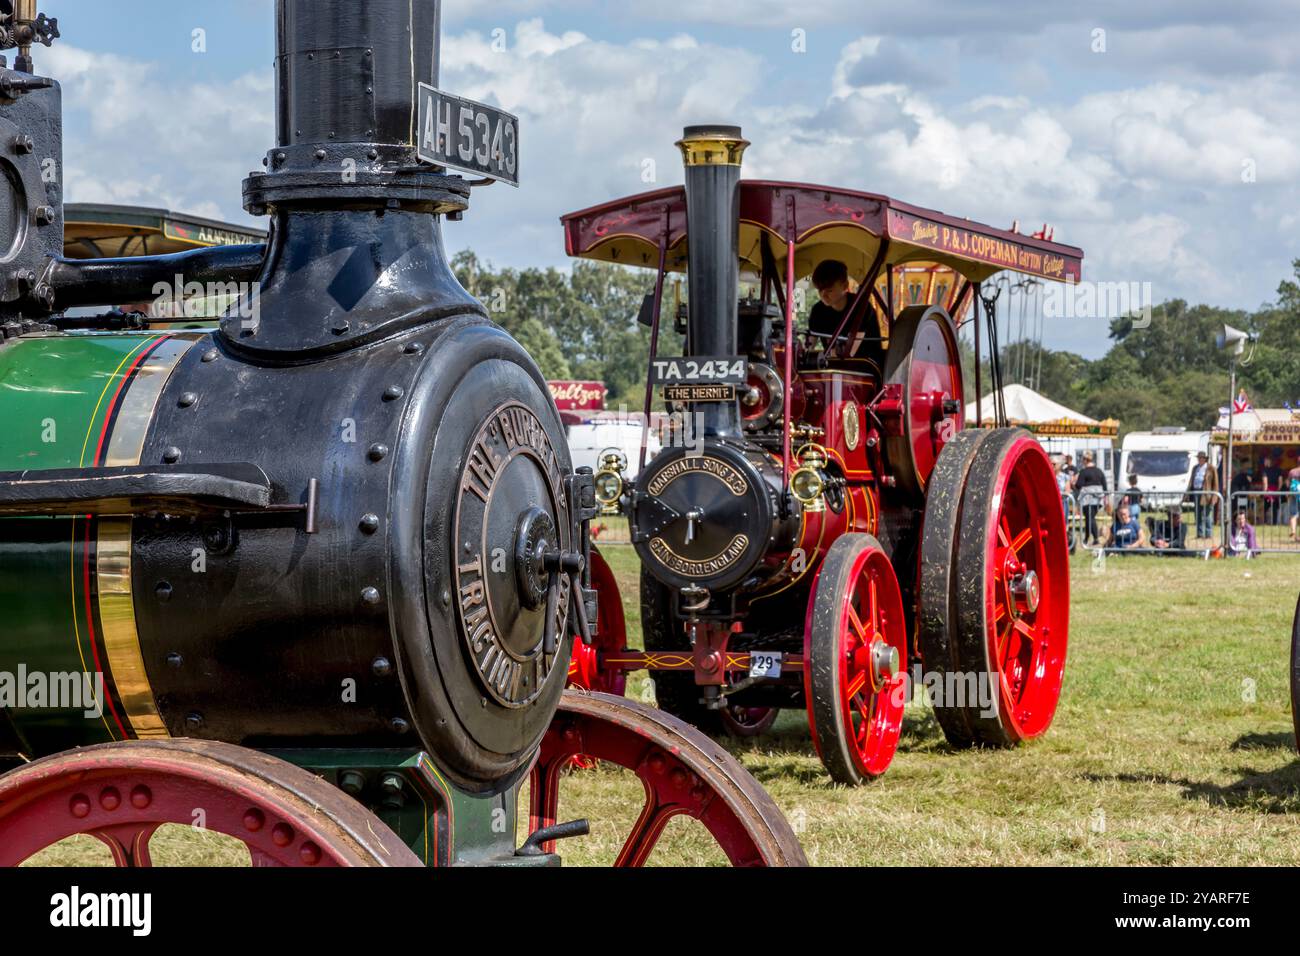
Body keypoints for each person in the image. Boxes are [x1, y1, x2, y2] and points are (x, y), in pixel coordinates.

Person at [808, 259, 885, 368]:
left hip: (867, 368)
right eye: (820, 290)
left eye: (829, 290)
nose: (823, 295)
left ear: (845, 286)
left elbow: (849, 354)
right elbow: (809, 346)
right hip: (835, 367)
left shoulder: (861, 307)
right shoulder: (818, 310)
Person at [1073, 452, 1108, 546]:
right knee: (1090, 518)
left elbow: (1078, 485)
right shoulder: (1099, 471)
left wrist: (1073, 483)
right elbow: (1105, 485)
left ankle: (1092, 538)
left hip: (1087, 499)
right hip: (1098, 499)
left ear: (1085, 460)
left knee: (1090, 518)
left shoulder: (1084, 472)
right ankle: (1089, 538)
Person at [1186, 450, 1217, 541]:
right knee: (1197, 513)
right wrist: (1188, 493)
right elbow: (1191, 480)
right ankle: (1199, 534)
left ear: (1205, 459)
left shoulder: (1211, 468)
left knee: (1206, 514)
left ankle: (1208, 534)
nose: (1199, 460)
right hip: (1196, 492)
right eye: (1198, 458)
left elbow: (1215, 483)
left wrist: (1214, 496)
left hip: (1206, 493)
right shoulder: (1195, 468)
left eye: (1201, 458)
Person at [1289, 463, 1300, 542]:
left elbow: (1288, 482)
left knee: (1293, 515)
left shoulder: (1292, 471)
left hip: (1294, 494)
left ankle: (1293, 531)